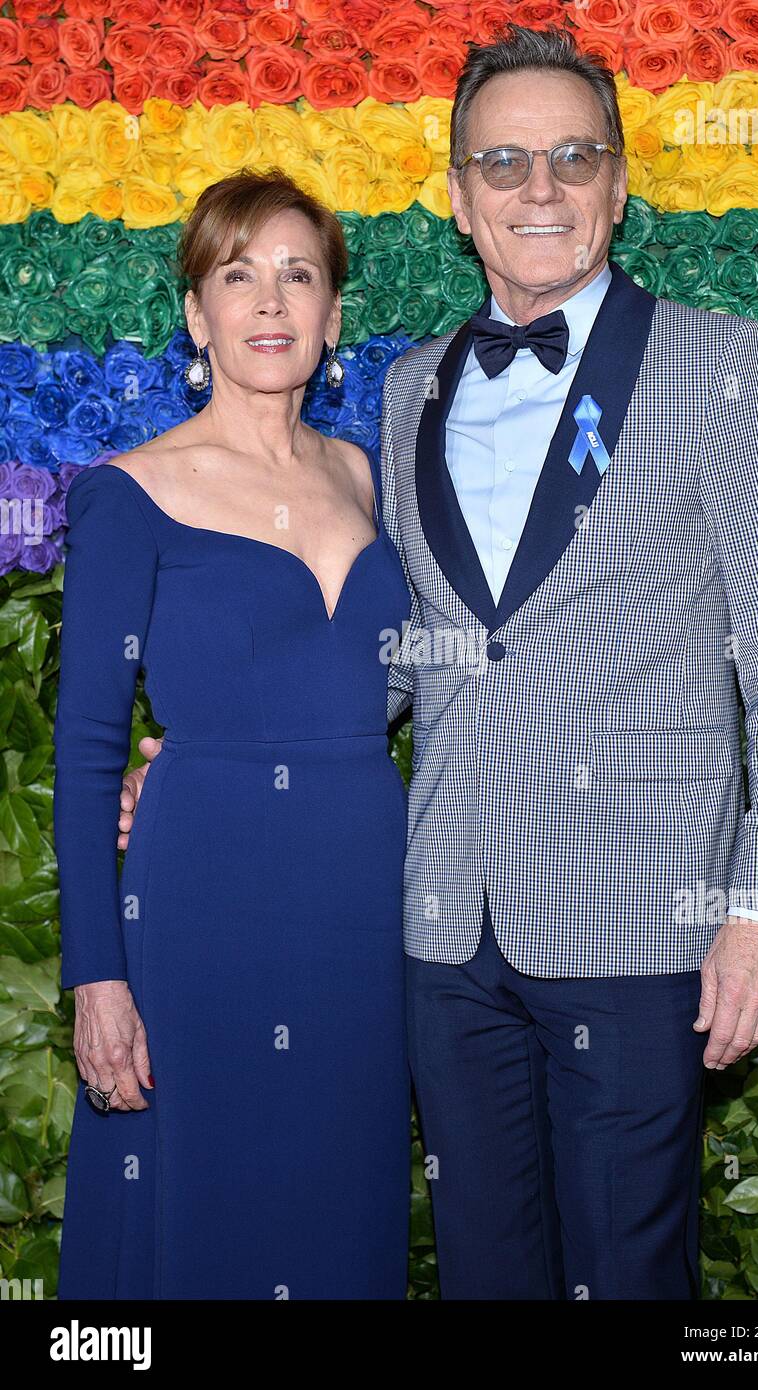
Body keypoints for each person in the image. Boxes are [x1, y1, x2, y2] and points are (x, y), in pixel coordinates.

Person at [121, 25, 758, 1300]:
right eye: (502, 163)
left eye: (572, 157)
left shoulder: (716, 366)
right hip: (444, 923)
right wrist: (225, 743)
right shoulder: (411, 390)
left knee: (627, 1273)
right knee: (485, 1273)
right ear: (457, 199)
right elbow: (408, 652)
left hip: (639, 922)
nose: (538, 189)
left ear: (618, 185)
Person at [53, 169, 412, 1300]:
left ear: (332, 315)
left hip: (361, 894)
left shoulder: (361, 475)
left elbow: (382, 682)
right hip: (205, 895)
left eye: (298, 274)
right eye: (238, 274)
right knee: (200, 1197)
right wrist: (95, 979)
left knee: (337, 1191)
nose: (270, 301)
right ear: (195, 314)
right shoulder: (131, 492)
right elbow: (85, 748)